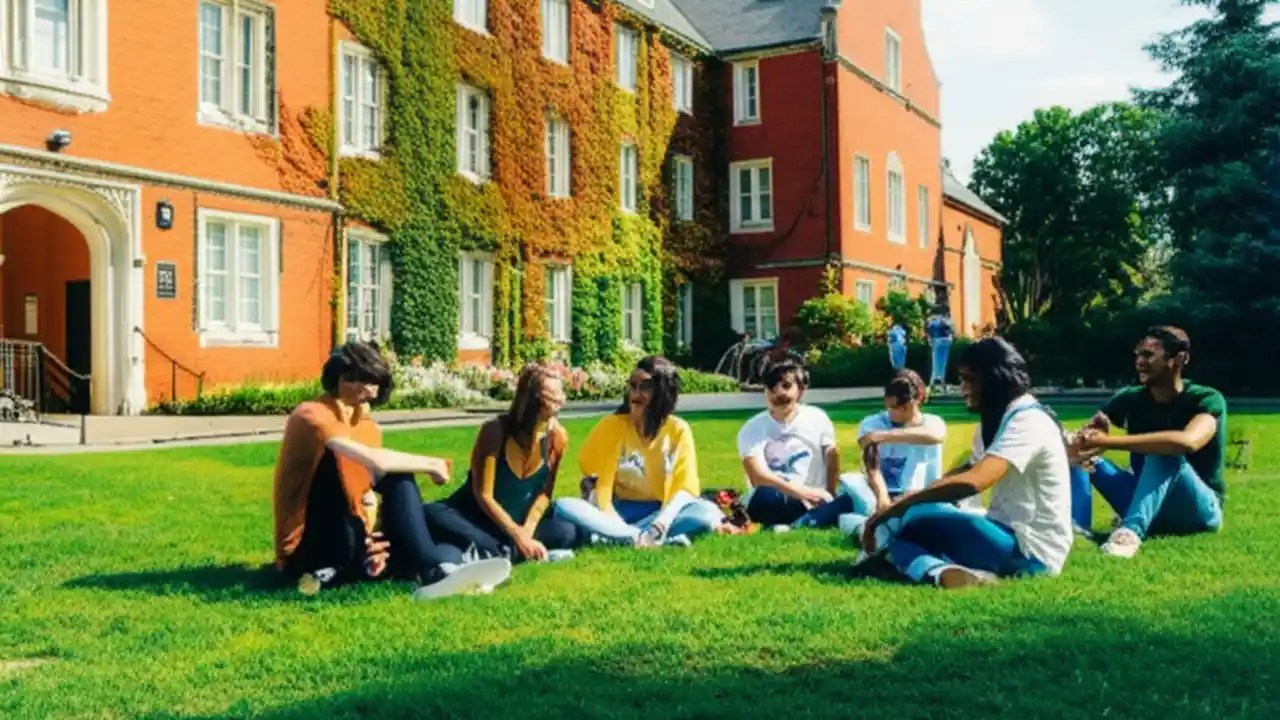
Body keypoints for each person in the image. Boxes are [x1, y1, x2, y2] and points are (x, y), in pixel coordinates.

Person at [273, 341, 510, 601]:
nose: (369, 391)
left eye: (374, 383)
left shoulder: (365, 425)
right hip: (308, 546)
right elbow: (375, 463)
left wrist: (374, 537)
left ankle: (444, 564)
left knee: (428, 533)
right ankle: (433, 569)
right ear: (338, 377)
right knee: (397, 473)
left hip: (351, 533)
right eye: (359, 380)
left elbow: (364, 491)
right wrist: (432, 464)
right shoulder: (313, 416)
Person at [859, 338, 1073, 588]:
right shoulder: (998, 416)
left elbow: (975, 480)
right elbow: (969, 467)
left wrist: (902, 505)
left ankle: (931, 568)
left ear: (994, 379)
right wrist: (913, 498)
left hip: (1032, 551)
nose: (963, 389)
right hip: (1007, 533)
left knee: (907, 527)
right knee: (909, 526)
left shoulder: (1027, 420)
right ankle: (947, 573)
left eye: (968, 380)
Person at [1069, 326, 1225, 558]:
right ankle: (1077, 530)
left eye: (1149, 355)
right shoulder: (1130, 398)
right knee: (1079, 454)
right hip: (1145, 499)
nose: (1140, 362)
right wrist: (1084, 439)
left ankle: (1129, 533)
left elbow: (1187, 442)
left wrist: (1110, 441)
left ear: (1179, 359)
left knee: (1165, 452)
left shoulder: (1205, 398)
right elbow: (1092, 435)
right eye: (1138, 355)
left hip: (1196, 511)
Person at [555, 355, 725, 546]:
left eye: (644, 387)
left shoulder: (678, 430)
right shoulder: (611, 426)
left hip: (661, 511)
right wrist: (614, 523)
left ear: (662, 392)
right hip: (617, 511)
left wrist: (660, 525)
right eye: (632, 385)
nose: (636, 393)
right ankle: (635, 538)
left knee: (706, 514)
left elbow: (684, 489)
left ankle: (617, 538)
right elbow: (601, 490)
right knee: (564, 505)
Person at [421, 363, 582, 562]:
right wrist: (516, 534)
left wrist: (527, 532)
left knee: (567, 532)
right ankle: (505, 551)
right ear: (532, 401)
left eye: (561, 396)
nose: (560, 403)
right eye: (552, 399)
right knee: (431, 513)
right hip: (477, 518)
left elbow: (544, 494)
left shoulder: (558, 437)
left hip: (520, 523)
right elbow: (483, 495)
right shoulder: (495, 432)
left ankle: (497, 551)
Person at [736, 360, 841, 528]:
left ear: (801, 390)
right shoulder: (752, 427)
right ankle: (801, 521)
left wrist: (830, 492)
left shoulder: (818, 418)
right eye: (772, 388)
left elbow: (832, 456)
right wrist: (799, 493)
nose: (778, 393)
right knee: (769, 497)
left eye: (786, 386)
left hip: (813, 495)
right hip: (771, 496)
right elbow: (757, 476)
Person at [926, 310, 956, 393]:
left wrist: (930, 341)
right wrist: (951, 338)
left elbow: (929, 332)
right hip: (945, 341)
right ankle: (941, 385)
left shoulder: (932, 321)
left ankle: (934, 384)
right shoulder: (946, 321)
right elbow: (952, 331)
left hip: (937, 342)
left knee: (936, 363)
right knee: (942, 363)